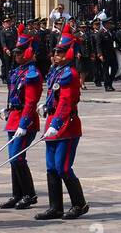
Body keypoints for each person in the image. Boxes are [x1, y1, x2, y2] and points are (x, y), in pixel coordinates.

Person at [37, 38, 89, 221]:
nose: (55, 56)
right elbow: (55, 97)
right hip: (53, 122)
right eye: (55, 53)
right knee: (51, 167)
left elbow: (66, 102)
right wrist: (46, 106)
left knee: (63, 167)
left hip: (66, 125)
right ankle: (55, 207)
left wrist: (56, 124)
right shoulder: (56, 72)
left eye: (59, 53)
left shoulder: (69, 74)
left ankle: (79, 204)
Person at [0, 31, 42, 210]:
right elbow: (14, 94)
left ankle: (29, 194)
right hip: (14, 117)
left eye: (20, 52)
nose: (16, 55)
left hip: (26, 120)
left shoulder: (32, 73)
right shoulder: (17, 71)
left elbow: (31, 101)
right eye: (16, 52)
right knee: (13, 158)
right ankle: (17, 194)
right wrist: (8, 109)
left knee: (17, 158)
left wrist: (24, 124)